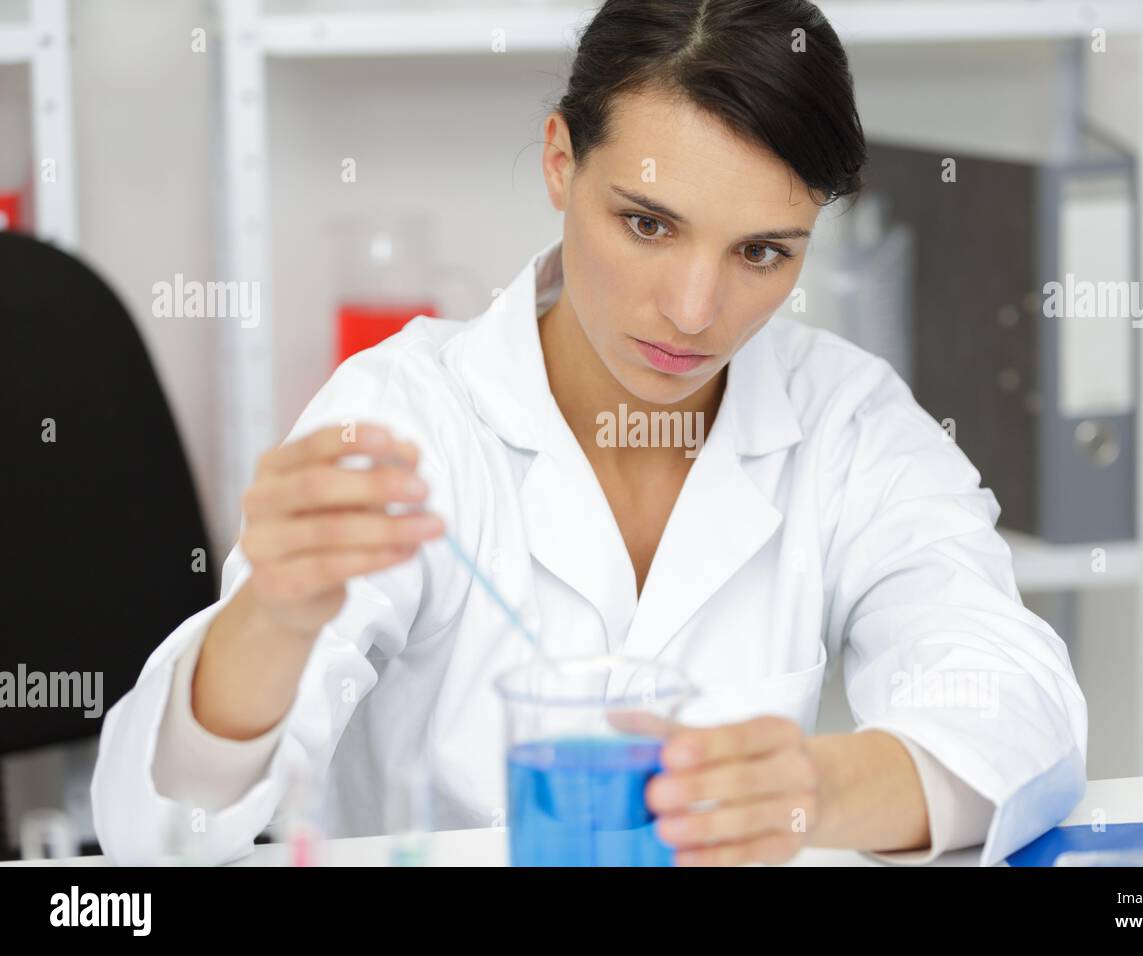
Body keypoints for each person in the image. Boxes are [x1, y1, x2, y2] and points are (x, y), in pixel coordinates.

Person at [91, 0, 1087, 867]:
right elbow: (160, 831)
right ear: (560, 161)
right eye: (648, 223)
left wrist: (815, 784)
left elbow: (1012, 696)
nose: (695, 310)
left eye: (760, 251)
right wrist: (273, 614)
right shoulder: (407, 413)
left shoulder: (843, 419)